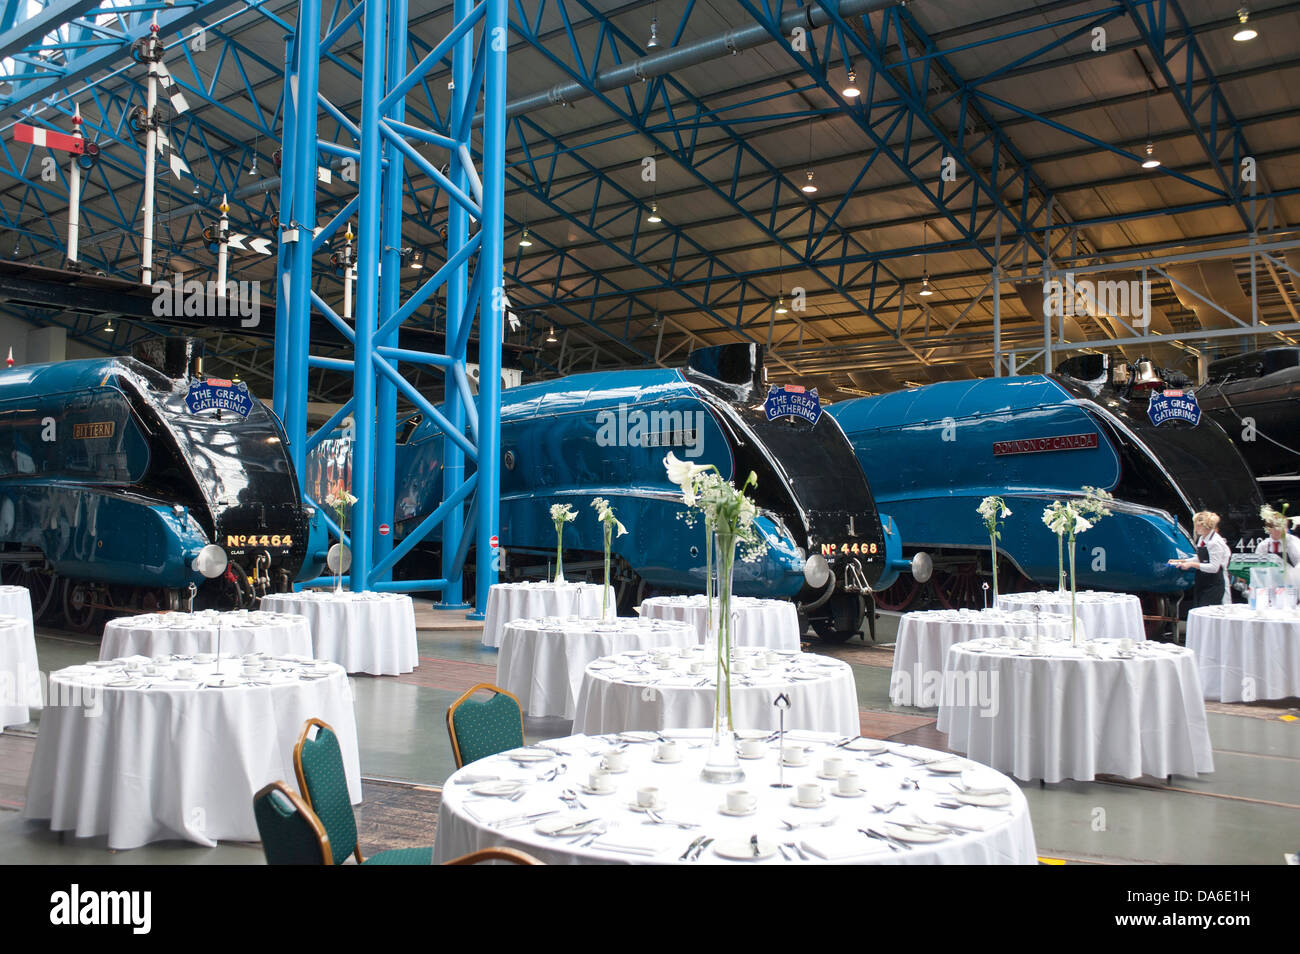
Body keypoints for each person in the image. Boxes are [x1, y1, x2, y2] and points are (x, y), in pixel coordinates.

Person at [1173, 511, 1231, 607]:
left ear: (1206, 527)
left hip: (1214, 582)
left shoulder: (1215, 542)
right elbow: (1201, 558)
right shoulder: (1202, 539)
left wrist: (1191, 565)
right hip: (1202, 580)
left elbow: (1214, 567)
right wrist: (1181, 561)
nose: (1196, 528)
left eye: (1198, 525)